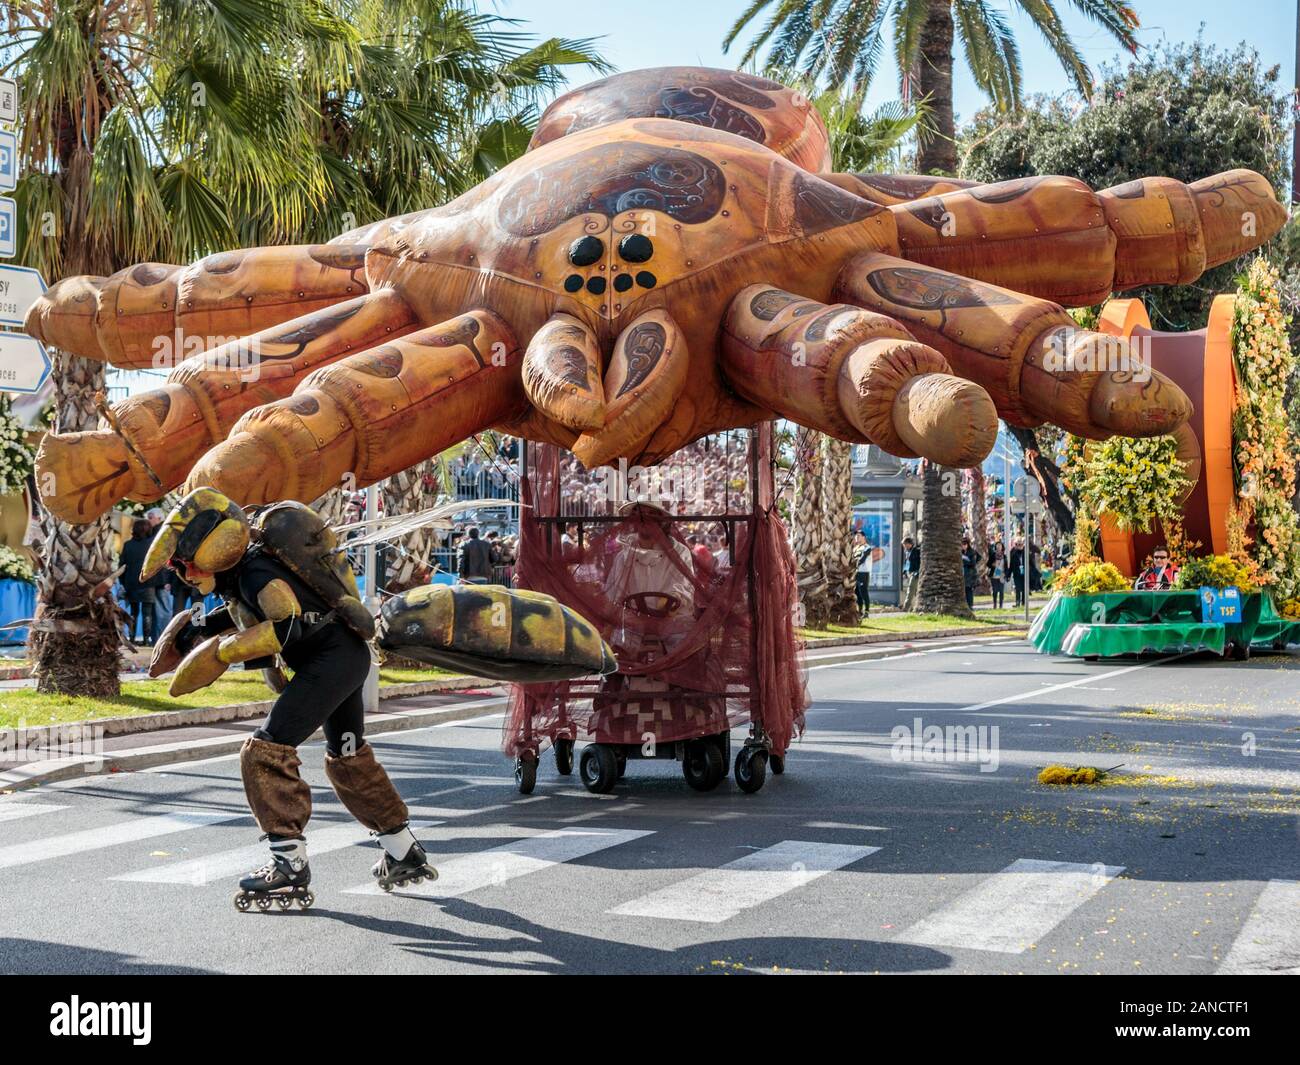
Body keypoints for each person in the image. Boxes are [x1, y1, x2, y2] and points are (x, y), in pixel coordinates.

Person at [142, 488, 436, 907]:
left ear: (213, 548)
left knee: (264, 751)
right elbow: (247, 610)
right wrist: (199, 631)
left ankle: (288, 863)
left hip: (330, 663)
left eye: (185, 564)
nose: (183, 574)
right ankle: (404, 851)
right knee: (348, 758)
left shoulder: (254, 570)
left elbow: (285, 625)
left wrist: (224, 651)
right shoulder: (245, 571)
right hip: (345, 659)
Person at [119, 518, 163, 645]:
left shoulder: (128, 545)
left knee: (134, 612)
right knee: (147, 613)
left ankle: (132, 638)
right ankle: (146, 640)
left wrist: (123, 582)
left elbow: (122, 565)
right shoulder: (151, 544)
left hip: (131, 584)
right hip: (149, 582)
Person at [853, 529, 872, 618]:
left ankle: (867, 611)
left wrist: (854, 564)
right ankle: (860, 611)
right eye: (856, 536)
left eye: (859, 536)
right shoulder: (855, 548)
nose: (856, 537)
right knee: (857, 592)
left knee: (863, 592)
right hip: (856, 572)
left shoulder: (867, 547)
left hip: (864, 573)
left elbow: (862, 559)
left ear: (864, 537)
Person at [901, 535, 921, 611]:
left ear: (909, 544)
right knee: (912, 590)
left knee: (911, 589)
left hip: (915, 573)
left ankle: (906, 607)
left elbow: (919, 562)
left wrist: (918, 571)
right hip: (909, 572)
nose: (904, 546)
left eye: (905, 544)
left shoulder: (916, 551)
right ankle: (912, 607)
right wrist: (904, 572)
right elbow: (906, 562)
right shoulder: (907, 552)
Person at [960, 534, 979, 610]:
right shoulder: (961, 552)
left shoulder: (972, 552)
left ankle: (970, 605)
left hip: (970, 574)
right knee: (964, 589)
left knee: (969, 590)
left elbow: (973, 563)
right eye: (962, 544)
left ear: (967, 544)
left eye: (964, 544)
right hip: (963, 573)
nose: (963, 546)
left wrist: (965, 561)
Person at [988, 541, 1007, 609]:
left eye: (1000, 545)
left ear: (1002, 547)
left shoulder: (1004, 556)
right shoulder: (993, 555)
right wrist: (992, 564)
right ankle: (995, 604)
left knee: (1001, 591)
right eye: (997, 545)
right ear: (995, 547)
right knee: (995, 591)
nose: (999, 547)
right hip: (994, 575)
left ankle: (1001, 605)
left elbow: (1006, 566)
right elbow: (988, 564)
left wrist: (1006, 574)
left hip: (1001, 575)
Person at [1009, 537, 1025, 607]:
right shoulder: (1013, 552)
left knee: (1024, 588)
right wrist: (1008, 574)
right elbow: (1011, 564)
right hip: (1016, 573)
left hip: (1024, 573)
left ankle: (1024, 603)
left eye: (1020, 543)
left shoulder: (1025, 552)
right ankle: (1017, 602)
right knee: (1018, 588)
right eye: (1017, 544)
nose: (1019, 545)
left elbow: (1030, 562)